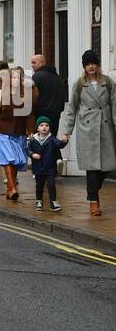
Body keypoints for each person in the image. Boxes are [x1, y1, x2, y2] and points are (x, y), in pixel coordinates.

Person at [59, 48, 116, 218]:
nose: (91, 67)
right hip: (87, 130)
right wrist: (67, 131)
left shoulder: (108, 82)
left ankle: (91, 191)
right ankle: (94, 202)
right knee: (92, 168)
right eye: (87, 64)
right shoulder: (79, 84)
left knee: (108, 166)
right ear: (84, 66)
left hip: (106, 129)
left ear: (98, 65)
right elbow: (72, 108)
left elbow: (115, 105)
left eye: (93, 63)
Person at [0, 61, 29, 201]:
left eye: (18, 78)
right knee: (8, 158)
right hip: (3, 131)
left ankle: (10, 189)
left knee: (16, 161)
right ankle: (12, 187)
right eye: (13, 78)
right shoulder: (0, 94)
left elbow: (30, 114)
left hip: (20, 132)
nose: (15, 80)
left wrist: (32, 131)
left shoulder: (25, 94)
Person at [28, 117, 62, 212]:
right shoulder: (33, 140)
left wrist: (65, 140)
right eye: (41, 125)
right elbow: (27, 149)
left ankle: (53, 202)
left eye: (47, 125)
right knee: (39, 185)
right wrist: (32, 154)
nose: (44, 127)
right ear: (37, 128)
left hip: (50, 167)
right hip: (38, 168)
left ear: (49, 128)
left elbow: (59, 144)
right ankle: (39, 201)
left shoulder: (52, 139)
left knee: (51, 184)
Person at [30, 54, 66, 138]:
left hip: (41, 115)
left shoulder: (37, 76)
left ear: (42, 63)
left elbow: (32, 97)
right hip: (55, 115)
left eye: (34, 63)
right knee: (51, 141)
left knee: (40, 142)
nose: (32, 65)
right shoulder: (57, 77)